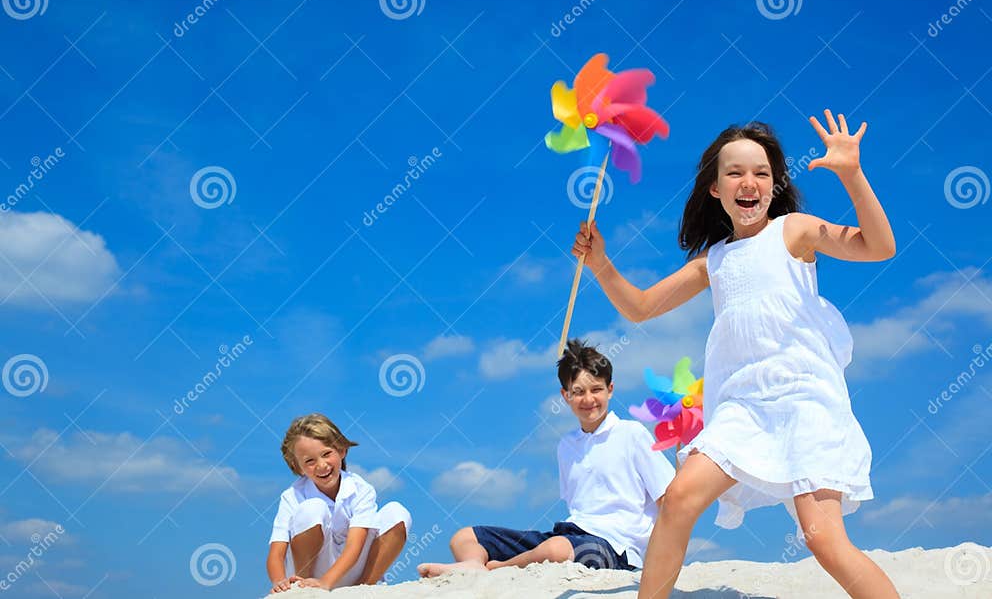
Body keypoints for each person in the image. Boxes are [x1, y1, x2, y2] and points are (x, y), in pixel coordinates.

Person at [571, 112, 900, 599]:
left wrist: (851, 173)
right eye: (735, 173)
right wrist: (599, 263)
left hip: (805, 400)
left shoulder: (795, 231)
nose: (749, 182)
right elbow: (640, 307)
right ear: (715, 189)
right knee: (679, 496)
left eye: (762, 173)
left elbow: (879, 247)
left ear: (774, 185)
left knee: (824, 538)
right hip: (742, 408)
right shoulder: (714, 261)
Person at [417, 339, 675, 577]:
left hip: (618, 548)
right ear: (566, 396)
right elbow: (578, 508)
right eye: (579, 391)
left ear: (610, 389)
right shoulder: (566, 445)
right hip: (570, 533)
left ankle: (499, 569)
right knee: (465, 537)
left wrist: (663, 555)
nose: (589, 399)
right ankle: (474, 564)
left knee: (555, 551)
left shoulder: (632, 433)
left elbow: (669, 498)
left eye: (597, 389)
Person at [266, 413, 411, 593]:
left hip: (350, 573)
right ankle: (300, 587)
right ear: (297, 467)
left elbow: (354, 546)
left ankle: (364, 587)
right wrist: (278, 581)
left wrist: (327, 582)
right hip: (308, 574)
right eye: (309, 461)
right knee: (312, 508)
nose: (321, 465)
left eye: (327, 454)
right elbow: (276, 552)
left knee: (397, 512)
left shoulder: (361, 489)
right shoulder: (292, 496)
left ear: (341, 451)